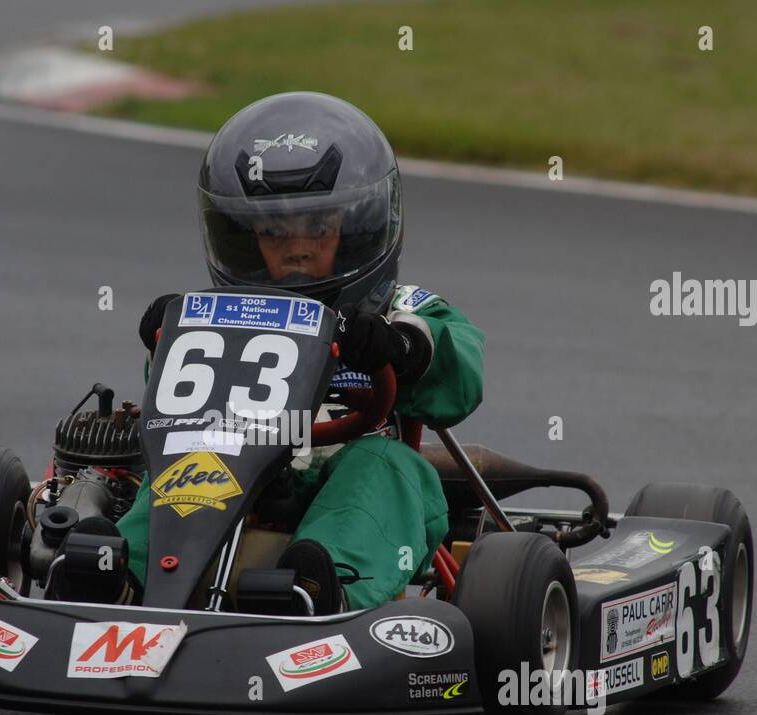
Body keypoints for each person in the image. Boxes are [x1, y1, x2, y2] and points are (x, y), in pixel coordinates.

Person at [120, 91, 486, 612]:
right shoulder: (223, 316)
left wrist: (401, 347)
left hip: (345, 480)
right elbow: (173, 402)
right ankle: (115, 574)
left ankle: (320, 590)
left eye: (318, 228)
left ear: (356, 229)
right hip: (227, 472)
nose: (297, 247)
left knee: (389, 466)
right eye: (274, 232)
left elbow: (461, 371)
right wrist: (169, 337)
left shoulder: (400, 310)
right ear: (245, 238)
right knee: (175, 469)